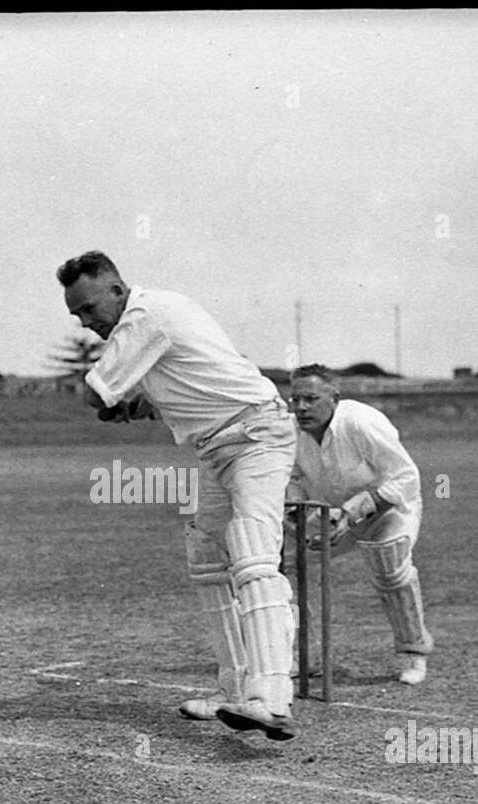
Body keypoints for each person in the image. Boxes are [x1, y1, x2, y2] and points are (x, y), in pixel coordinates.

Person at [59, 250, 300, 740]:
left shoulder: (147, 315)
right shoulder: (148, 325)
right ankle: (236, 690)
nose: (87, 323)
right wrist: (139, 405)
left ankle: (272, 698)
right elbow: (180, 387)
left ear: (117, 289)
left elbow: (94, 392)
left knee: (253, 559)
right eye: (77, 315)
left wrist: (107, 398)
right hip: (219, 446)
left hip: (257, 436)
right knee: (207, 558)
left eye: (89, 308)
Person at [286, 364, 433, 684]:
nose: (301, 407)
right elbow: (294, 478)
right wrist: (299, 518)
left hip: (388, 507)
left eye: (311, 398)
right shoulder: (291, 430)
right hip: (329, 513)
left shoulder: (361, 422)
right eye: (295, 399)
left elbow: (405, 477)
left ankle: (413, 653)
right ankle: (305, 655)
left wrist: (352, 512)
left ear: (334, 398)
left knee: (390, 568)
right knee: (283, 565)